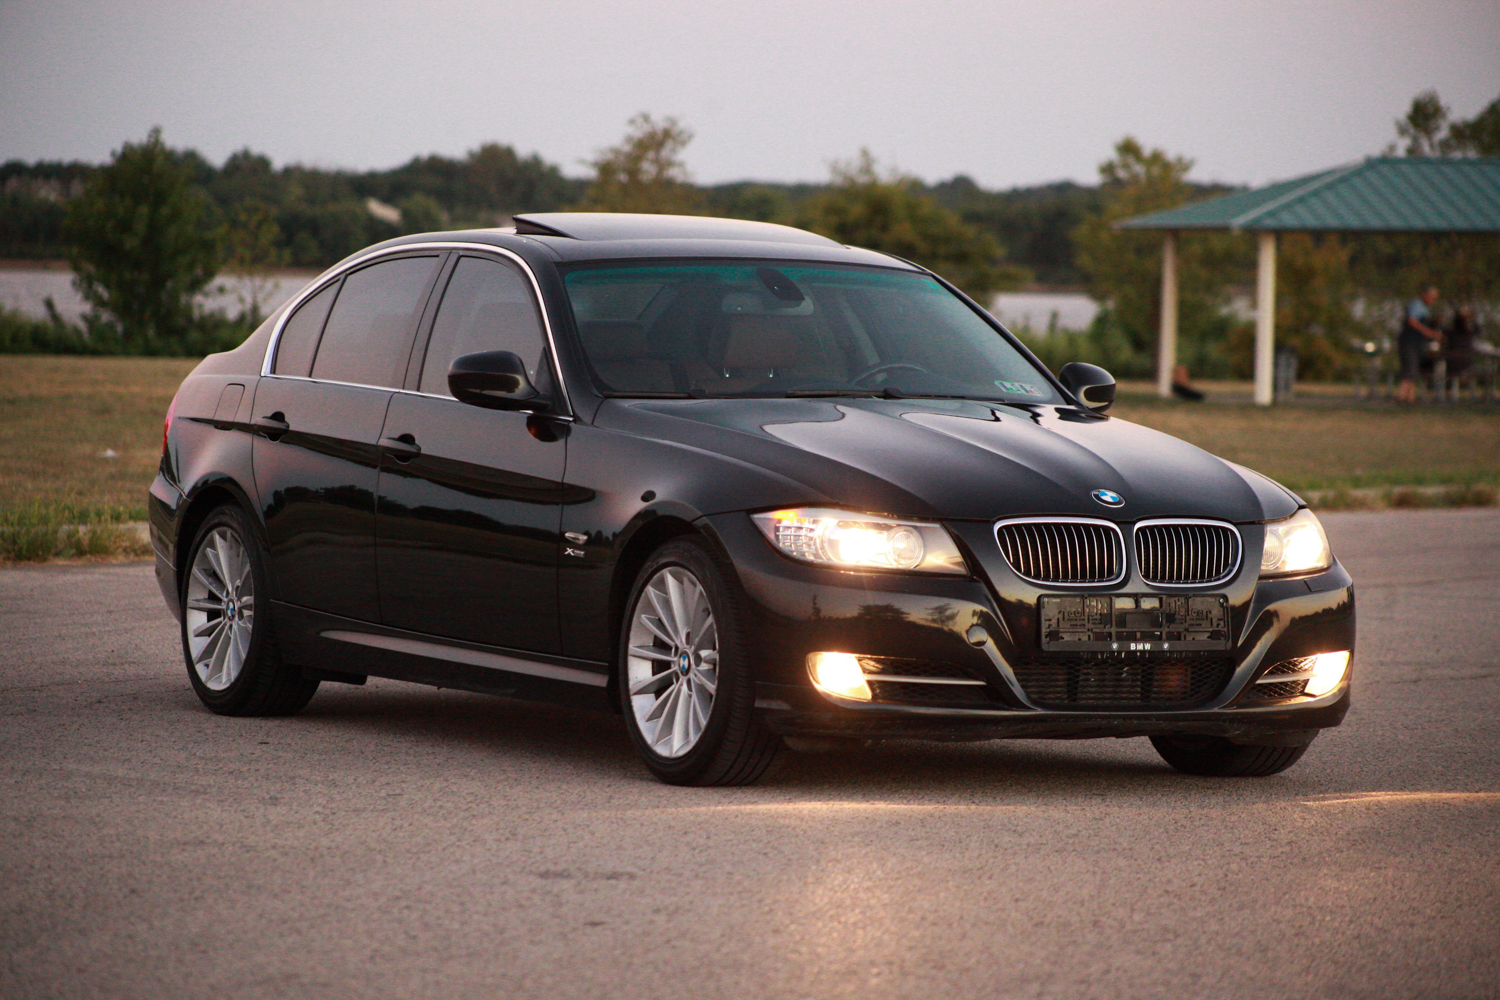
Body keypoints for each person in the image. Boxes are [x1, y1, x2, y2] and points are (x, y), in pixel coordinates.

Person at [1395, 285, 1441, 403]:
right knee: (1409, 369)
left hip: (1416, 342)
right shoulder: (1416, 305)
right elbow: (1412, 321)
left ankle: (1410, 397)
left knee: (1413, 369)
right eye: (1432, 298)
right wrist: (1429, 332)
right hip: (1409, 342)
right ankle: (1402, 396)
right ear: (1424, 295)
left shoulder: (1424, 307)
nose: (1433, 301)